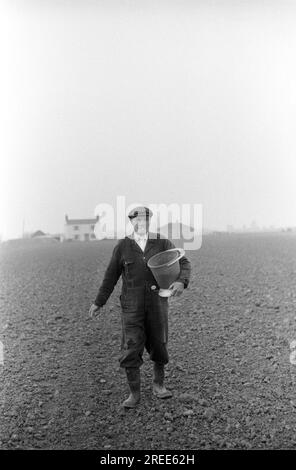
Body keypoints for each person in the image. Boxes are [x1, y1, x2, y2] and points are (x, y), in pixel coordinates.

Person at [89, 206, 191, 408]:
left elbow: (184, 262)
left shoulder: (161, 242)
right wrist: (99, 302)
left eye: (145, 220)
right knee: (131, 346)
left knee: (159, 343)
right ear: (132, 222)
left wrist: (181, 281)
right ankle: (134, 393)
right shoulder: (123, 247)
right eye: (137, 220)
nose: (141, 224)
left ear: (149, 221)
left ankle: (158, 385)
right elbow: (110, 277)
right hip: (131, 305)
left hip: (157, 303)